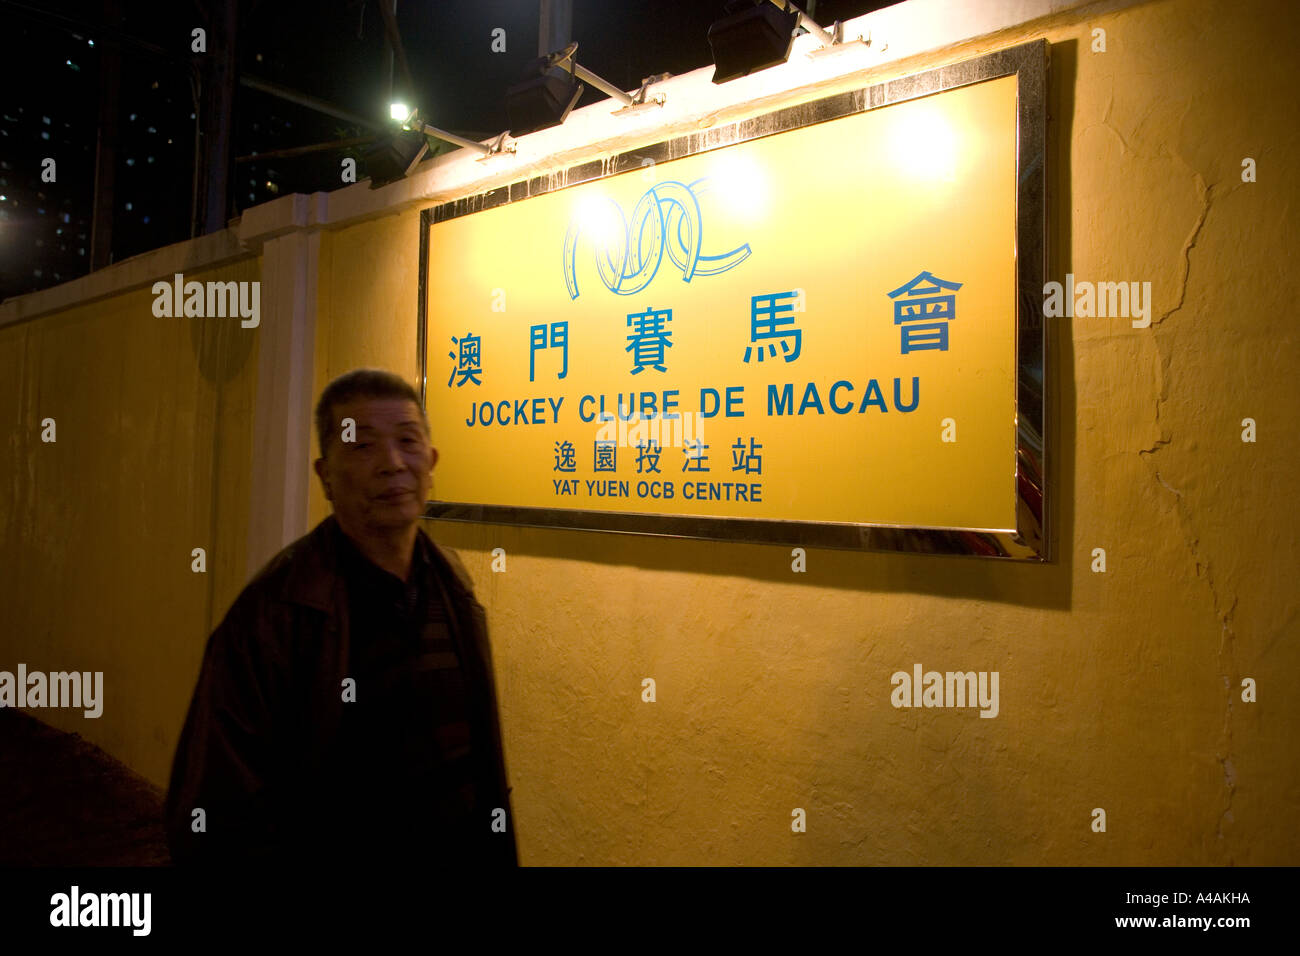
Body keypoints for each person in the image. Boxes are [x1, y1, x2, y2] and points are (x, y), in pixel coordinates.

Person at [164, 368, 517, 867]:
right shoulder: (274, 615)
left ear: (432, 462)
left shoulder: (454, 587)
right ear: (325, 474)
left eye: (407, 441)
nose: (392, 464)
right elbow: (213, 814)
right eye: (362, 446)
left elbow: (480, 774)